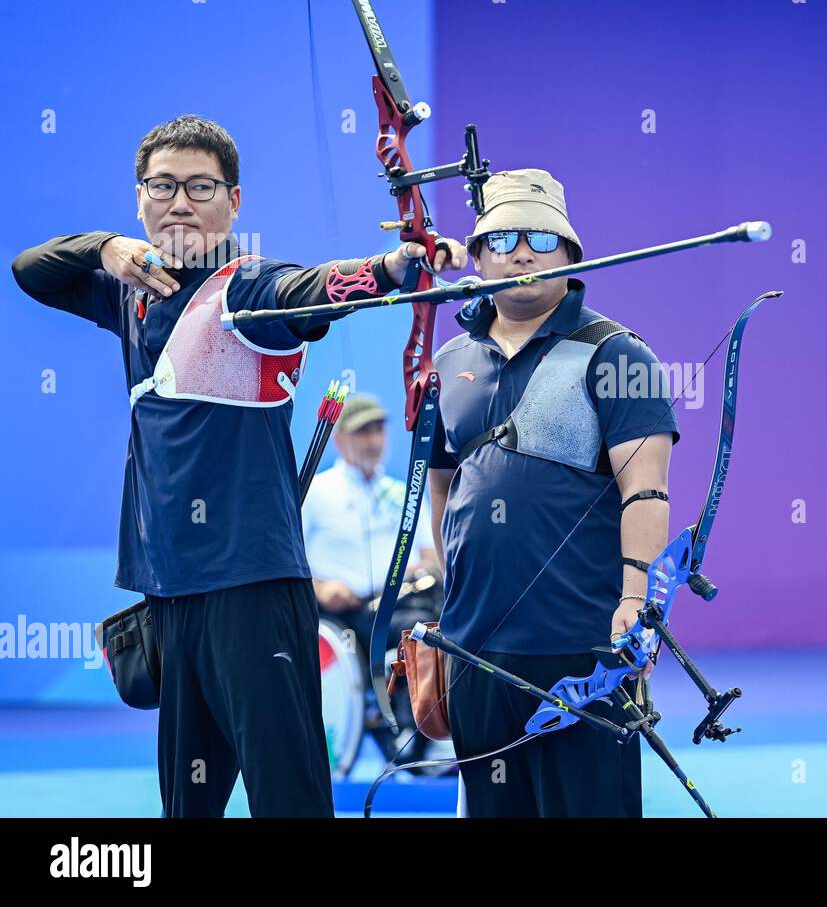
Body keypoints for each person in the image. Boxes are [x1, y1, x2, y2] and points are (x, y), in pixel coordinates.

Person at [10, 114, 467, 816]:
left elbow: (313, 290)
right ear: (139, 198)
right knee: (187, 806)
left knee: (288, 801)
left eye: (200, 186)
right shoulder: (131, 291)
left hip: (252, 586)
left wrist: (391, 268)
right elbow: (29, 270)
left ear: (235, 202)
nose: (180, 202)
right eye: (163, 186)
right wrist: (105, 248)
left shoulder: (249, 287)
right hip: (171, 590)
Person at [427, 168, 679, 817]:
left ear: (571, 256)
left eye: (540, 238)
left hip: (582, 646)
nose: (520, 253)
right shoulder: (452, 359)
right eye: (502, 238)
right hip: (477, 645)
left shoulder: (618, 354)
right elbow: (443, 484)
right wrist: (453, 596)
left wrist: (635, 601)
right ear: (477, 258)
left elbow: (646, 491)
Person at [301, 392, 445, 765]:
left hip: (408, 599)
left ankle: (445, 720)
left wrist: (425, 571)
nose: (372, 440)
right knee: (411, 630)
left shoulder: (400, 493)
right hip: (351, 613)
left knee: (446, 618)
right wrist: (322, 590)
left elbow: (431, 553)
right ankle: (410, 724)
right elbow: (291, 564)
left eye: (378, 430)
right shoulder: (316, 493)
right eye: (362, 431)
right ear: (340, 437)